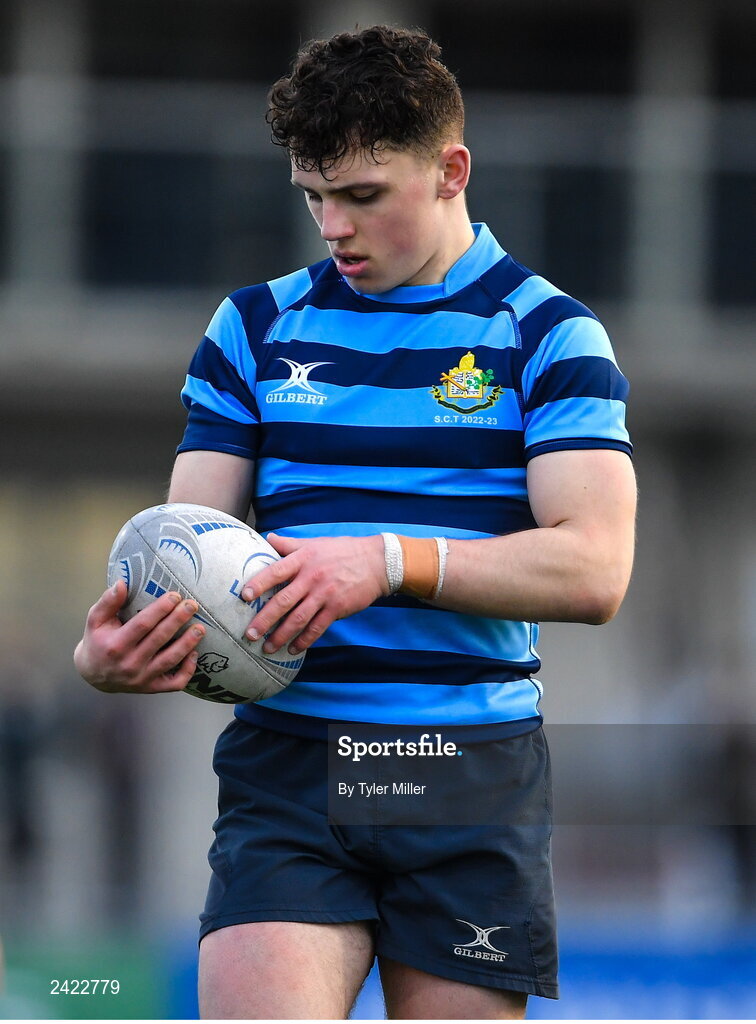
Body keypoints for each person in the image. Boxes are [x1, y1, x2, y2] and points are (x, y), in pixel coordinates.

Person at [74, 25, 636, 1020]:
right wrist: (118, 645)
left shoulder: (548, 335)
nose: (333, 225)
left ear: (451, 169)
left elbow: (594, 569)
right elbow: (185, 547)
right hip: (292, 767)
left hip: (467, 778)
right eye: (313, 195)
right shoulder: (252, 328)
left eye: (364, 195)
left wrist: (385, 562)